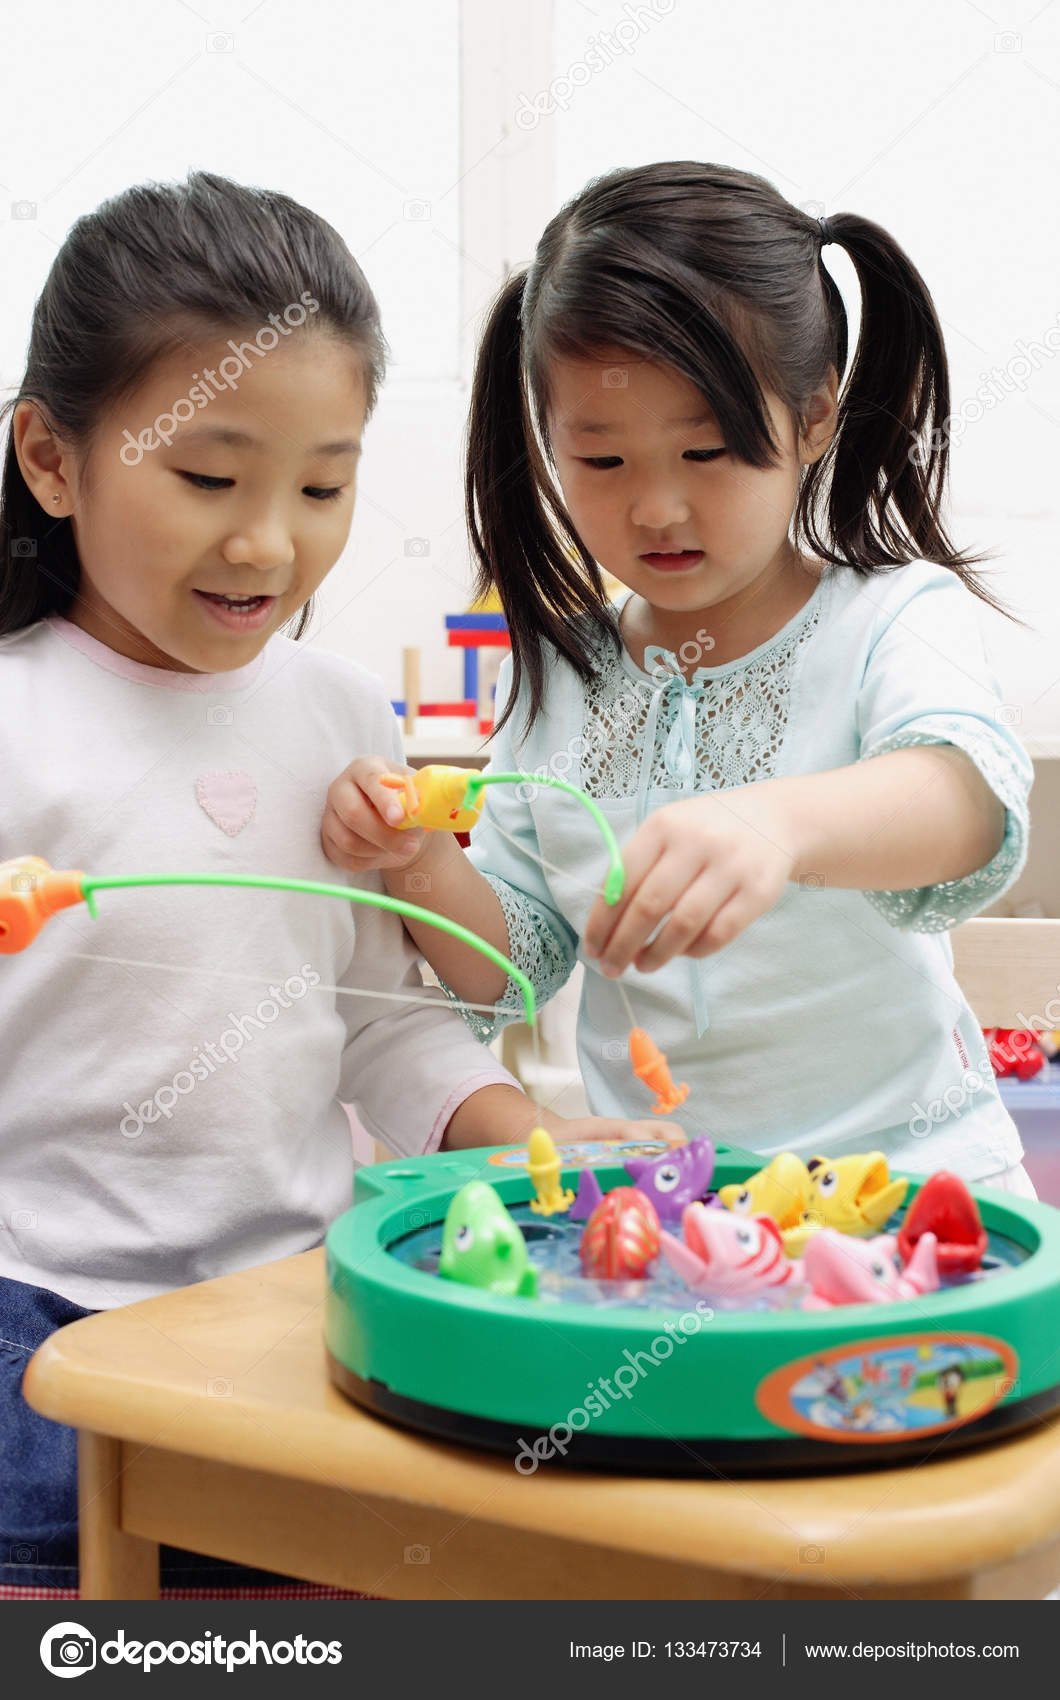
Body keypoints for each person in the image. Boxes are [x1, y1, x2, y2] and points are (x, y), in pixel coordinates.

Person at [0, 172, 658, 1598]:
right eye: (207, 478)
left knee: (390, 1536)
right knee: (84, 1551)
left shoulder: (345, 717)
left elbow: (380, 1014)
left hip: (295, 1294)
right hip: (31, 1314)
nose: (267, 543)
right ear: (52, 460)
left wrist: (518, 1131)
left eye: (321, 485)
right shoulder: (16, 715)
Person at [322, 160, 1035, 1203]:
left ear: (814, 418)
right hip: (672, 1213)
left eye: (705, 451)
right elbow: (513, 964)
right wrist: (420, 857)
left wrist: (774, 825)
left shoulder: (889, 616)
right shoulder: (561, 672)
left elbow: (966, 798)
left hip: (915, 1194)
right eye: (601, 463)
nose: (655, 509)